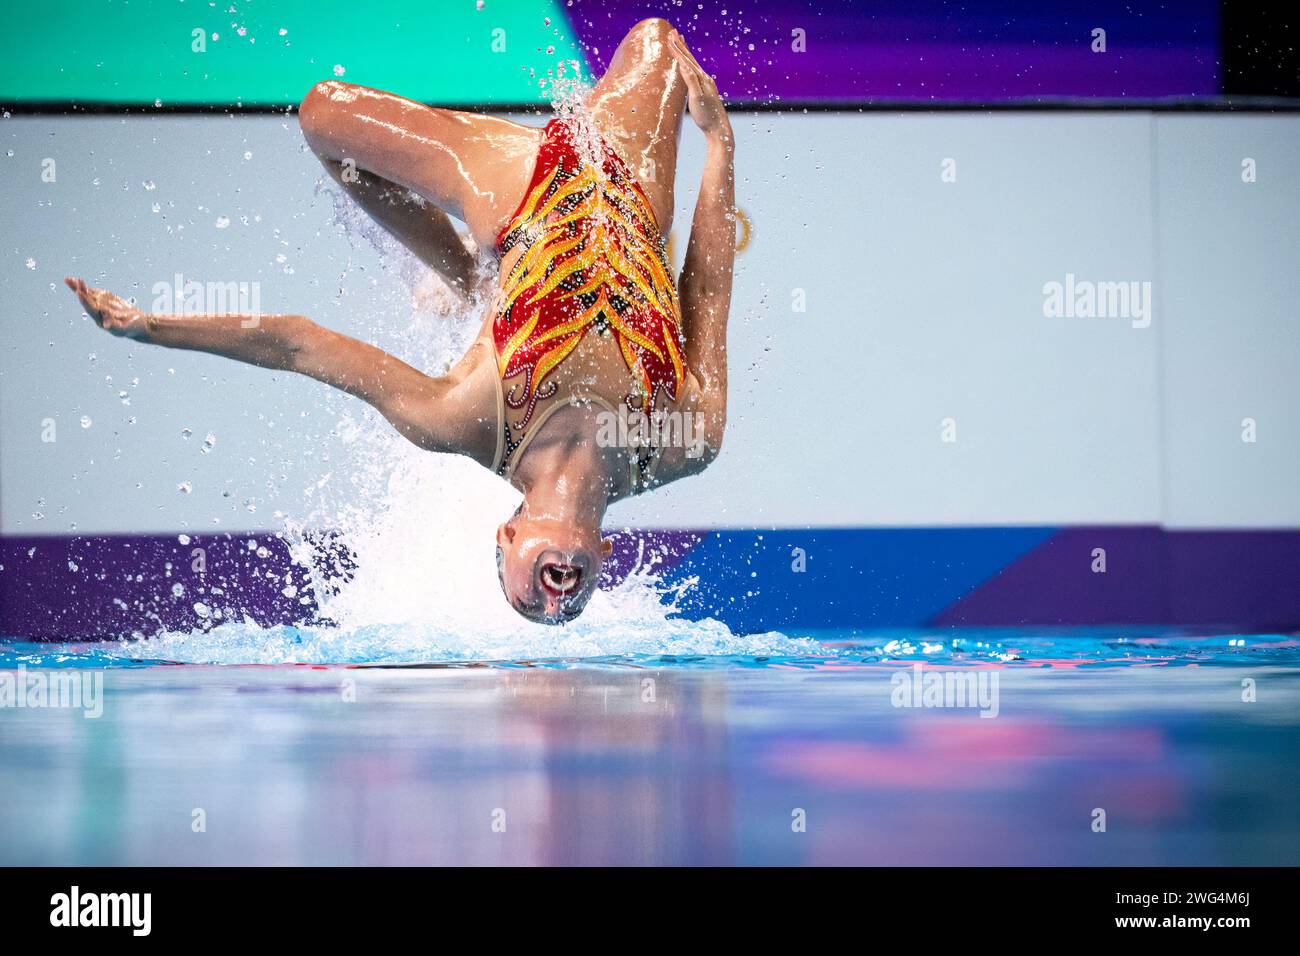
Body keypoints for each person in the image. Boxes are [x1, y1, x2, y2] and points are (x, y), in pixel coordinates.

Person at [65, 20, 735, 625]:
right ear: (604, 556)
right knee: (654, 38)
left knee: (324, 115)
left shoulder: (462, 420)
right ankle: (476, 282)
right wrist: (719, 144)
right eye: (568, 604)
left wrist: (151, 328)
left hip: (518, 195)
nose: (555, 597)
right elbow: (703, 289)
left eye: (531, 599)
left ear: (505, 537)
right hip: (625, 187)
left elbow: (298, 344)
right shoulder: (682, 444)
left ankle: (469, 275)